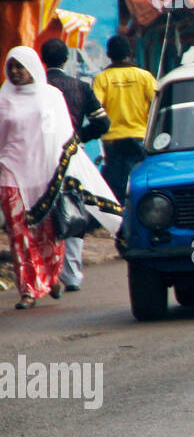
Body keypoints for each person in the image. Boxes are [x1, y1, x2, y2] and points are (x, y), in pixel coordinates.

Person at [0, 47, 121, 309]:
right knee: (19, 235)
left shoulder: (51, 96)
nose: (16, 72)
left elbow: (64, 138)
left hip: (47, 174)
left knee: (49, 232)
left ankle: (52, 275)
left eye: (21, 66)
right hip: (11, 175)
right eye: (12, 67)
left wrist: (67, 169)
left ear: (33, 66)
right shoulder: (3, 98)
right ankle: (28, 290)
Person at [40, 38, 110, 292]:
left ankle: (47, 272)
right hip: (73, 158)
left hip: (40, 159)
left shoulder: (36, 89)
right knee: (73, 210)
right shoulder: (80, 87)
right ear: (66, 59)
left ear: (42, 59)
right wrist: (79, 137)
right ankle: (71, 274)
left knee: (43, 213)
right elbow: (103, 123)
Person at [93, 35, 156, 202]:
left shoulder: (102, 78)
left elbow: (95, 107)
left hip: (112, 142)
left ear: (108, 54)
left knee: (115, 187)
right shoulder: (145, 76)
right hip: (140, 138)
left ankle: (118, 221)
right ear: (130, 52)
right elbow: (156, 104)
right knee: (140, 184)